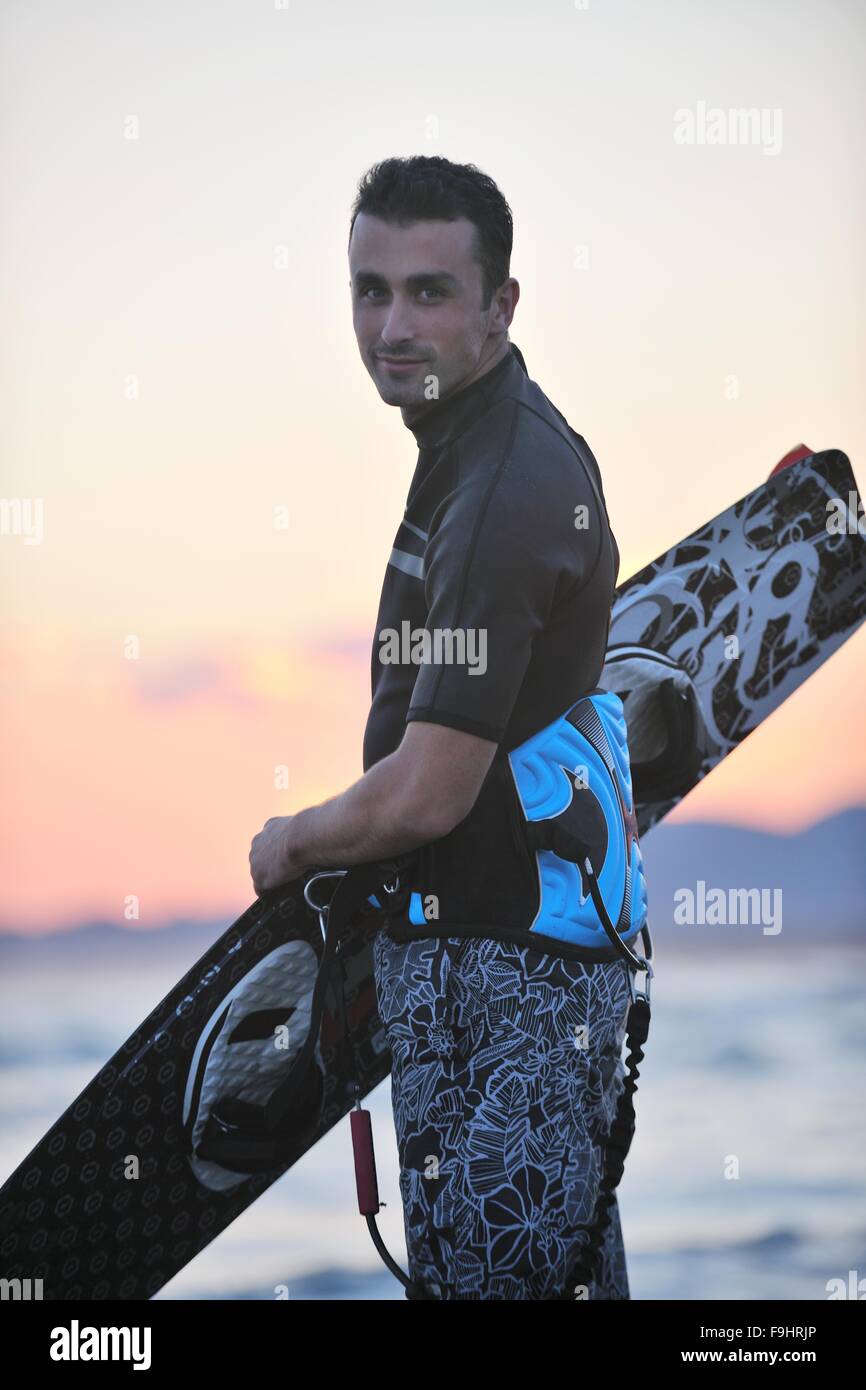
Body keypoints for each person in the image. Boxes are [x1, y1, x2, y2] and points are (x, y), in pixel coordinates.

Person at [249, 154, 634, 1300]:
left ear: (499, 305)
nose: (391, 324)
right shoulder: (476, 451)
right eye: (370, 289)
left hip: (506, 990)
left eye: (429, 291)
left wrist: (292, 842)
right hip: (516, 968)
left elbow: (429, 791)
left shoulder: (499, 488)